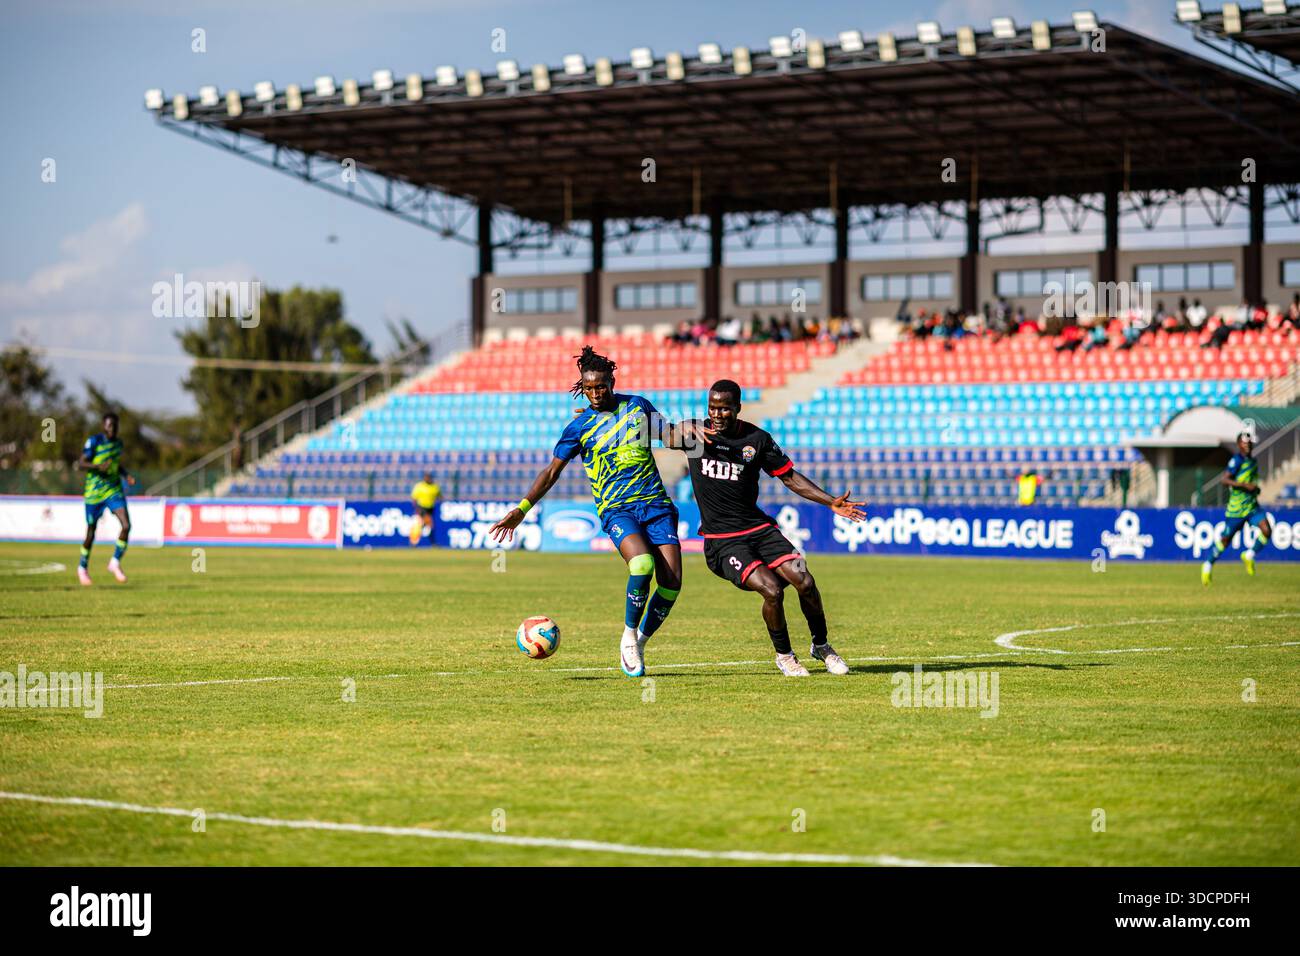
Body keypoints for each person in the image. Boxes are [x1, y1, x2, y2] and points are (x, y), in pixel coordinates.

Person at [489, 346, 707, 677]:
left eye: (600, 386)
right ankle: (629, 636)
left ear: (611, 381)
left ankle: (641, 639)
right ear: (582, 385)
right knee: (642, 563)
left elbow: (669, 437)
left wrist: (691, 432)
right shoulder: (580, 427)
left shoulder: (637, 407)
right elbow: (551, 472)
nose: (594, 393)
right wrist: (523, 508)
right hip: (617, 508)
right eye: (588, 387)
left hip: (656, 504)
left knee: (671, 583)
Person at [668, 380, 866, 677]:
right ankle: (785, 656)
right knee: (772, 590)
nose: (718, 414)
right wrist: (681, 426)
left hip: (761, 531)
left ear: (737, 408)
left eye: (724, 408)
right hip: (723, 541)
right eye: (712, 407)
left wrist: (830, 502)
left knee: (805, 580)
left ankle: (822, 646)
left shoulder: (757, 439)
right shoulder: (695, 434)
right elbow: (665, 436)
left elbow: (790, 477)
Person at [1201, 432, 1271, 585]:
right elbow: (1225, 480)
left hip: (1252, 507)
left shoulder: (1253, 461)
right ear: (1239, 445)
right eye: (1244, 444)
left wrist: (1255, 489)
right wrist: (1244, 485)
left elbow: (1251, 480)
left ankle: (1249, 555)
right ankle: (1207, 564)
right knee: (1225, 541)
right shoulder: (1236, 460)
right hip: (1236, 510)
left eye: (1249, 443)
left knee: (1267, 530)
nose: (1247, 446)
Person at [76, 411, 135, 585]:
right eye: (109, 425)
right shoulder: (94, 442)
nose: (112, 429)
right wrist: (97, 466)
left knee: (126, 525)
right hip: (94, 493)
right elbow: (80, 463)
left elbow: (117, 464)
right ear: (103, 426)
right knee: (91, 533)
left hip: (113, 490)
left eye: (115, 426)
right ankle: (82, 567)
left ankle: (115, 562)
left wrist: (126, 475)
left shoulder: (118, 444)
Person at [409, 472, 441, 546]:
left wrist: (440, 500)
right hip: (422, 508)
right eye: (426, 477)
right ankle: (433, 543)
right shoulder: (419, 486)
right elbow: (414, 498)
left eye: (429, 478)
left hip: (430, 508)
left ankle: (413, 542)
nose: (428, 479)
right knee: (430, 524)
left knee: (422, 525)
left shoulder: (434, 487)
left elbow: (439, 496)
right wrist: (416, 508)